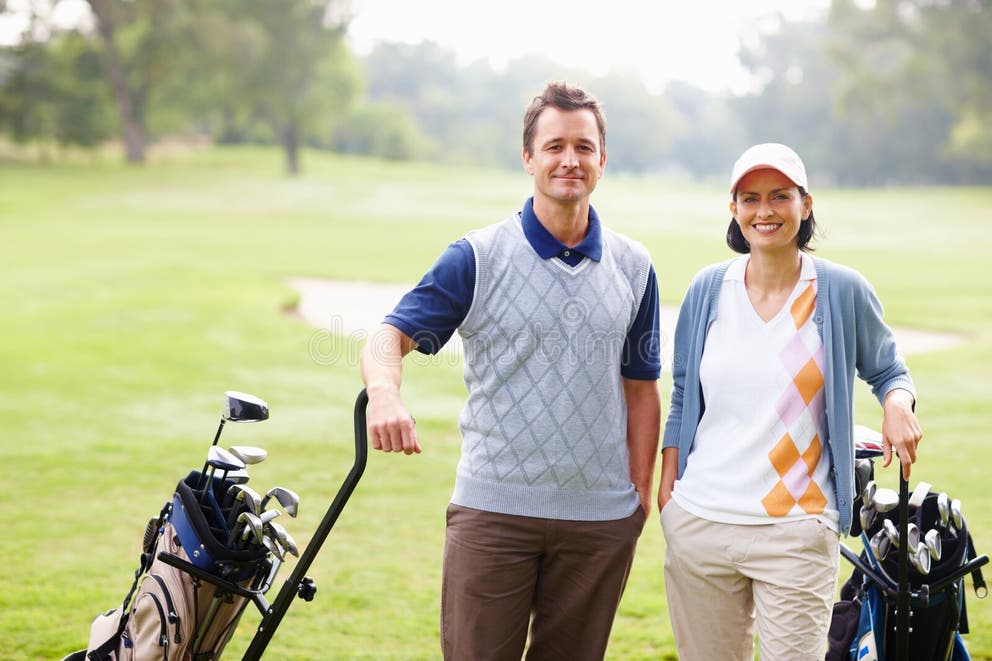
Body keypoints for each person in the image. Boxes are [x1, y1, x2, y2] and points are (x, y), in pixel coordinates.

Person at [359, 81, 661, 661]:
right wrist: (384, 394)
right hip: (494, 515)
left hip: (599, 522)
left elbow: (641, 388)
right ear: (528, 158)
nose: (569, 160)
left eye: (583, 146)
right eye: (553, 146)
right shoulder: (476, 256)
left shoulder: (634, 265)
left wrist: (637, 501)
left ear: (602, 160)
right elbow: (385, 338)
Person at [657, 142, 923, 660]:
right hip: (701, 524)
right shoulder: (708, 289)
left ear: (806, 204)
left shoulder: (840, 290)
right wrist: (671, 495)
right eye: (750, 198)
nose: (765, 211)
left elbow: (890, 369)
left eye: (780, 196)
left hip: (797, 531)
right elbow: (684, 393)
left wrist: (898, 403)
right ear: (734, 209)